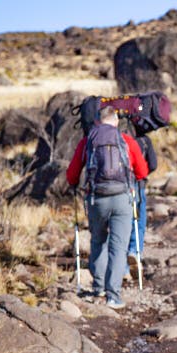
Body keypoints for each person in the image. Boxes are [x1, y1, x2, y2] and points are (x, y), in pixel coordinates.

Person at [66, 105, 149, 309]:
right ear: (116, 121)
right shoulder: (126, 140)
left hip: (96, 200)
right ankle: (114, 296)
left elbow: (72, 175)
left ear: (97, 121)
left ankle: (98, 286)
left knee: (98, 241)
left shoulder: (88, 141)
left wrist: (76, 184)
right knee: (118, 246)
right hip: (122, 199)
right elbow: (142, 172)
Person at [125, 134, 157, 280]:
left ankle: (123, 270)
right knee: (138, 222)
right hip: (138, 184)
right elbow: (153, 164)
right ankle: (134, 251)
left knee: (121, 225)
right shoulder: (143, 140)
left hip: (115, 187)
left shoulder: (112, 135)